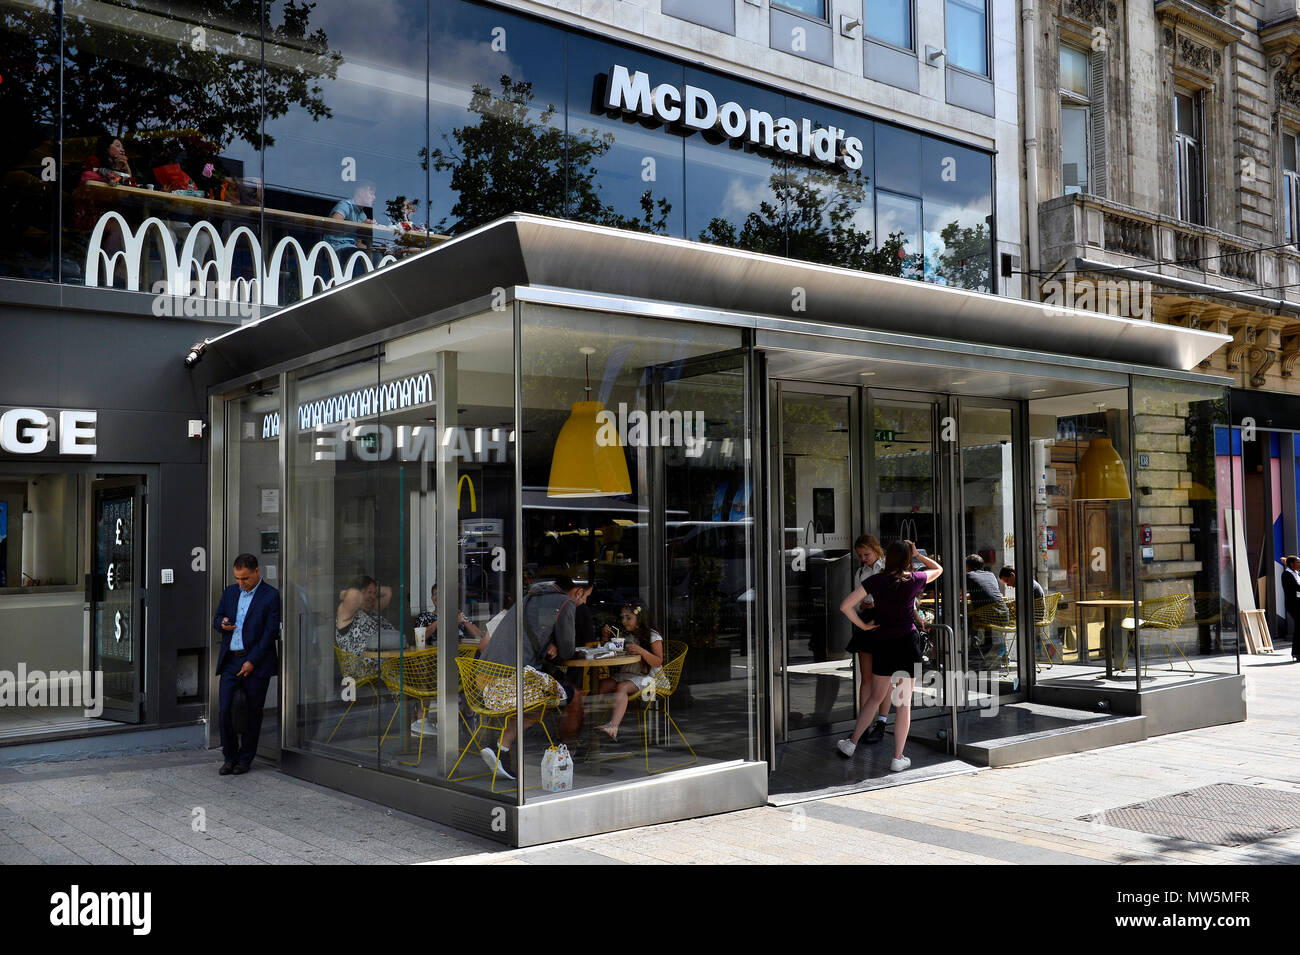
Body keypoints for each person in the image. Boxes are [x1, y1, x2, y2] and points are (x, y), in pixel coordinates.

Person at [837, 540, 940, 772]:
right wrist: (918, 555)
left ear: (888, 557)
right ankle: (897, 757)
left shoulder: (875, 580)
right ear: (907, 559)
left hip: (883, 642)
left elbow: (845, 606)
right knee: (903, 703)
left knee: (875, 697)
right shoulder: (915, 579)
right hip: (907, 643)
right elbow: (938, 569)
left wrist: (863, 627)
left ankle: (851, 743)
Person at [477, 576, 585, 777]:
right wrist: (558, 646)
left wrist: (549, 644)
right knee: (572, 695)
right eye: (584, 598)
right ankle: (569, 755)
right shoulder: (566, 602)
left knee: (544, 702)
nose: (583, 603)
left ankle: (501, 747)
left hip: (483, 682)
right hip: (507, 683)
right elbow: (568, 650)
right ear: (578, 593)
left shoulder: (529, 597)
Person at [212, 554, 280, 775]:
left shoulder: (271, 596)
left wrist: (252, 661)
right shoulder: (230, 592)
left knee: (252, 712)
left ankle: (245, 759)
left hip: (256, 661)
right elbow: (217, 618)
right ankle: (229, 757)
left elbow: (270, 634)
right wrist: (222, 623)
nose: (241, 583)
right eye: (237, 578)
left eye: (245, 578)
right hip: (232, 659)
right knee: (225, 711)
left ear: (257, 572)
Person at [839, 534, 890, 743]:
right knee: (866, 676)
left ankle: (882, 721)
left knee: (884, 678)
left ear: (876, 550)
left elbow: (894, 597)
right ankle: (864, 723)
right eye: (860, 555)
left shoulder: (886, 567)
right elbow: (857, 601)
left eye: (866, 554)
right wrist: (864, 605)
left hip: (885, 621)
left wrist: (873, 604)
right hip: (867, 621)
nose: (863, 558)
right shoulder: (861, 572)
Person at [595, 604, 665, 742]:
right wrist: (605, 637)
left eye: (628, 618)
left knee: (622, 687)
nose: (624, 621)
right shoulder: (625, 635)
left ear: (640, 619)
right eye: (623, 617)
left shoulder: (652, 636)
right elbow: (607, 649)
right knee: (603, 685)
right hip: (628, 673)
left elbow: (658, 661)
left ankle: (613, 726)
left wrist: (641, 651)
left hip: (649, 677)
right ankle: (595, 722)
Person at [966, 554, 1008, 666]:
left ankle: (971, 651)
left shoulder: (969, 575)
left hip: (988, 615)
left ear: (967, 566)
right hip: (1004, 615)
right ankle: (986, 655)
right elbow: (987, 591)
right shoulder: (990, 575)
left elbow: (959, 594)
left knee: (967, 620)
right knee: (980, 620)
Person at [414, 584, 483, 644]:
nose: (439, 597)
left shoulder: (458, 614)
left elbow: (480, 636)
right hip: (435, 657)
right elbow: (419, 638)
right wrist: (440, 620)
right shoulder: (424, 616)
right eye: (436, 594)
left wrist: (464, 622)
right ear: (432, 598)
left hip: (461, 654)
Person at [328, 181, 376, 251]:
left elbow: (358, 244)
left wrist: (374, 249)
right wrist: (361, 225)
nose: (374, 197)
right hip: (336, 248)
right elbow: (334, 227)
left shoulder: (362, 215)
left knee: (377, 257)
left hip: (352, 249)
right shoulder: (345, 205)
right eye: (371, 194)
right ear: (361, 192)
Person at [1284, 557, 1300, 660]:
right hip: (1294, 605)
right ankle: (1296, 653)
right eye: (1298, 562)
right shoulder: (1286, 574)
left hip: (1299, 604)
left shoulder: (1296, 573)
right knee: (1299, 628)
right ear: (1291, 564)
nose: (1299, 564)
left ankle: (1297, 653)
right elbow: (1295, 588)